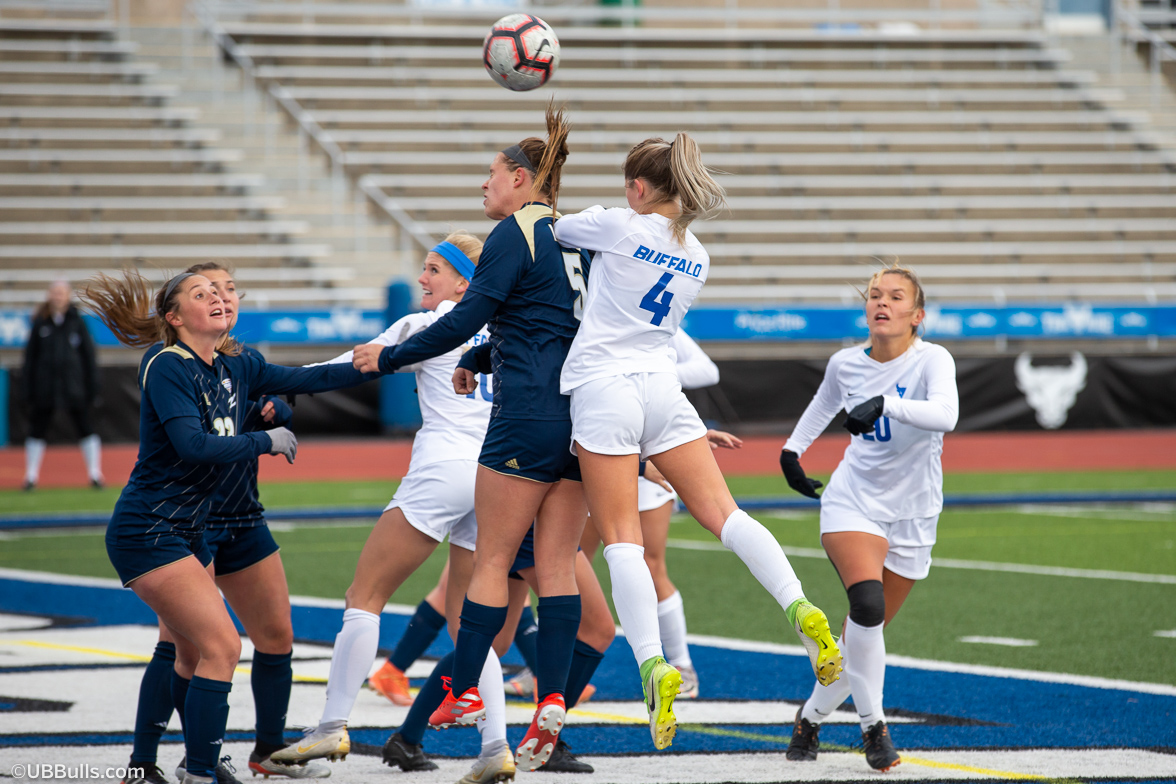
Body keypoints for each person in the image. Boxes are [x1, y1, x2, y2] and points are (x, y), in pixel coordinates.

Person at [552, 134, 842, 753]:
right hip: (664, 389)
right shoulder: (698, 253)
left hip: (605, 389)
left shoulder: (616, 223)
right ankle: (800, 608)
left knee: (620, 538)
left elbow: (548, 228)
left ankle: (654, 665)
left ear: (637, 188)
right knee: (728, 516)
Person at [351, 103, 590, 771]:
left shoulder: (515, 234)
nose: (483, 185)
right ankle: (553, 704)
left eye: (489, 174)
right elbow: (556, 327)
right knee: (558, 569)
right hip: (581, 423)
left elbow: (465, 320)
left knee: (489, 566)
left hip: (524, 419)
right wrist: (486, 359)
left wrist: (389, 358)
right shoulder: (578, 237)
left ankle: (462, 695)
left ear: (519, 177)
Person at [84, 269, 373, 784]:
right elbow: (193, 446)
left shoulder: (233, 366)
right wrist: (268, 439)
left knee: (219, 648)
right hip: (150, 529)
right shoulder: (166, 363)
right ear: (173, 318)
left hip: (195, 529)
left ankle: (212, 761)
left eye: (224, 291)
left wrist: (391, 357)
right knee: (209, 648)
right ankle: (168, 765)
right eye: (203, 293)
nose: (220, 297)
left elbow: (311, 379)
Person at [272, 232, 521, 784]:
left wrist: (262, 383)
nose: (422, 278)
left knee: (365, 597)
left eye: (433, 268)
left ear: (464, 282)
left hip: (445, 468)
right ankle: (496, 747)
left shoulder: (424, 326)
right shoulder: (510, 325)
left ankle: (333, 725)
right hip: (497, 478)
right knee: (469, 622)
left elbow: (345, 367)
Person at [779, 264, 958, 772]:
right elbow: (823, 404)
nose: (882, 302)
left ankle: (810, 719)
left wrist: (888, 404)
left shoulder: (932, 360)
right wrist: (792, 452)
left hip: (916, 511)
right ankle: (873, 729)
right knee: (868, 603)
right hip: (852, 500)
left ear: (916, 315)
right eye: (875, 295)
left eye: (896, 296)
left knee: (861, 635)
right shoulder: (845, 363)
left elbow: (946, 414)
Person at [578, 329, 733, 700]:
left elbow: (706, 369)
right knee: (564, 561)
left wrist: (652, 373)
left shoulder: (658, 321)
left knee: (651, 562)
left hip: (645, 442)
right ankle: (545, 665)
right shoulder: (589, 311)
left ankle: (680, 666)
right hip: (596, 442)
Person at [21, 280, 103, 490]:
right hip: (45, 388)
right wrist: (28, 388)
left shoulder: (78, 322)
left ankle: (95, 474)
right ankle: (31, 477)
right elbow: (30, 359)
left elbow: (89, 357)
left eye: (62, 293)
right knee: (37, 429)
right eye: (55, 293)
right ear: (50, 295)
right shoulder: (41, 323)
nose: (58, 297)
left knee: (85, 427)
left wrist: (92, 388)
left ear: (68, 296)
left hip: (73, 387)